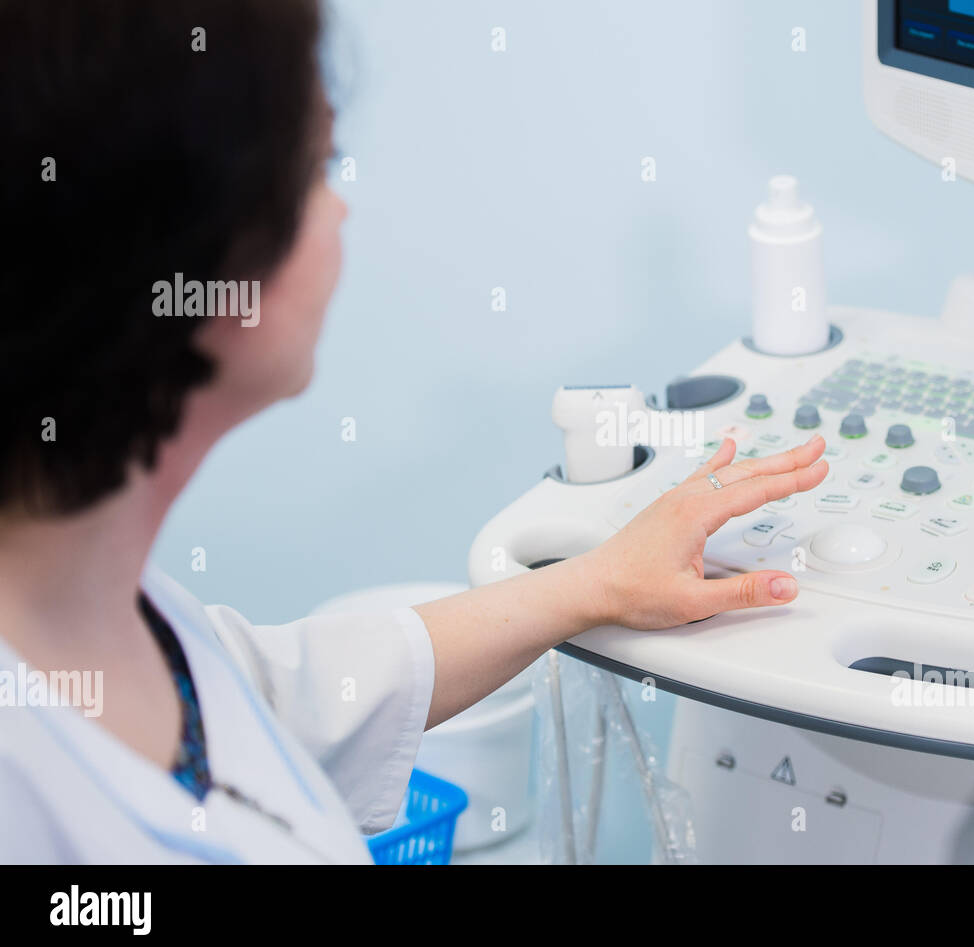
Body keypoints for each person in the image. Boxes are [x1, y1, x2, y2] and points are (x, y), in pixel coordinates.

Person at [0, 0, 828, 862]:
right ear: (188, 248)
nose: (343, 214)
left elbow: (280, 698)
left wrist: (597, 584)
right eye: (322, 167)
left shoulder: (106, 613)